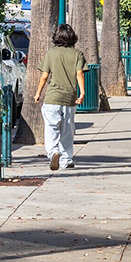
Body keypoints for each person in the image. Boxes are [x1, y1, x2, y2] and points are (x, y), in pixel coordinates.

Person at [34, 24, 87, 171]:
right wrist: (82, 92)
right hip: (69, 98)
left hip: (52, 97)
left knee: (51, 128)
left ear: (57, 37)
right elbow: (79, 74)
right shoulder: (77, 54)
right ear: (72, 37)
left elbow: (44, 76)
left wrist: (38, 93)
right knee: (67, 130)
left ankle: (53, 152)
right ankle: (67, 159)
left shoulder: (51, 53)